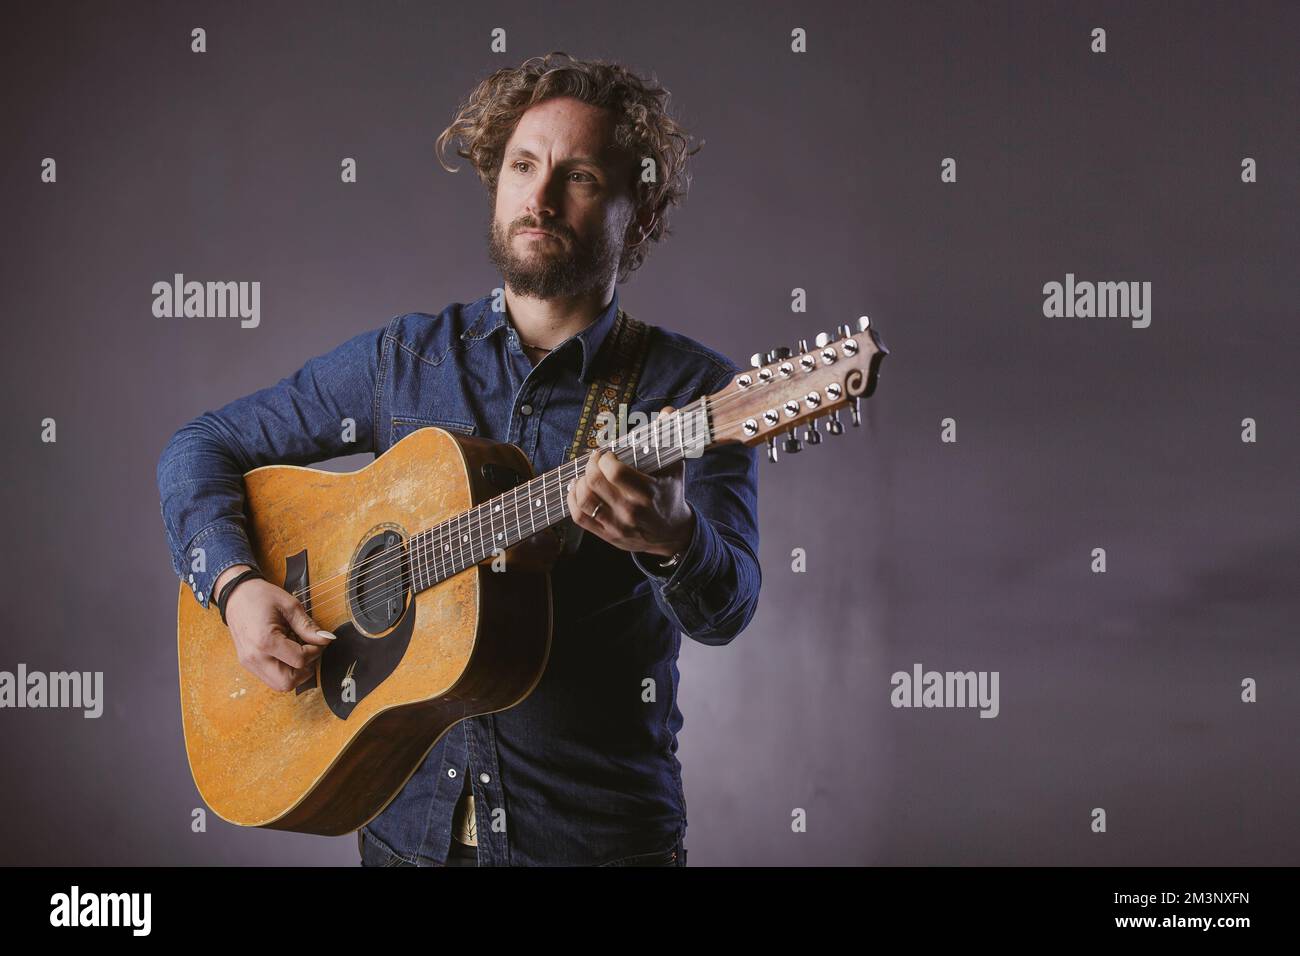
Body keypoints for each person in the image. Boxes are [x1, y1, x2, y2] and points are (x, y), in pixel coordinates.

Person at [156, 51, 761, 867]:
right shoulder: (406, 360)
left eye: (579, 176)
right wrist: (233, 588)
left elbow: (727, 609)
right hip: (409, 843)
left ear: (639, 214)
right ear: (496, 182)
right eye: (522, 166)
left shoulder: (693, 392)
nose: (539, 197)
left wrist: (675, 539)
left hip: (592, 843)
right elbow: (201, 447)